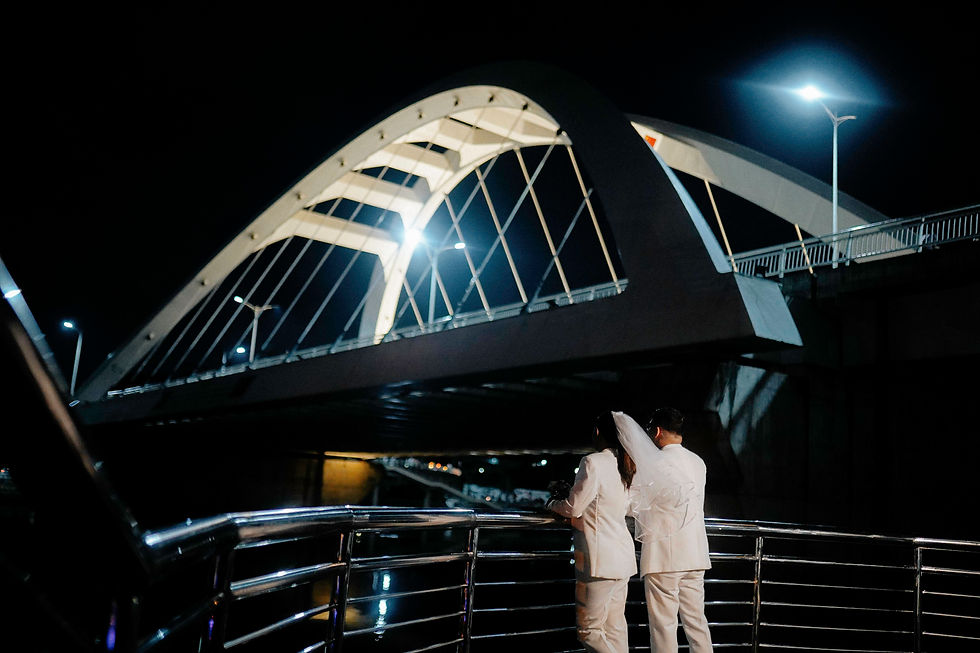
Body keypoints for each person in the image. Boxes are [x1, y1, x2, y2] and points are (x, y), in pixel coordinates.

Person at [613, 409, 713, 653]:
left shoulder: (655, 463)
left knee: (663, 626)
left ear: (656, 431)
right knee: (697, 623)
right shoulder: (698, 461)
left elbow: (629, 503)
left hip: (664, 557)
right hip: (696, 554)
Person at [547, 411, 638, 653]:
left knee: (589, 631)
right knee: (615, 628)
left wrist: (552, 504)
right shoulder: (626, 465)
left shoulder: (592, 462)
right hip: (623, 560)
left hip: (598, 562)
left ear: (598, 432)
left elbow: (573, 507)